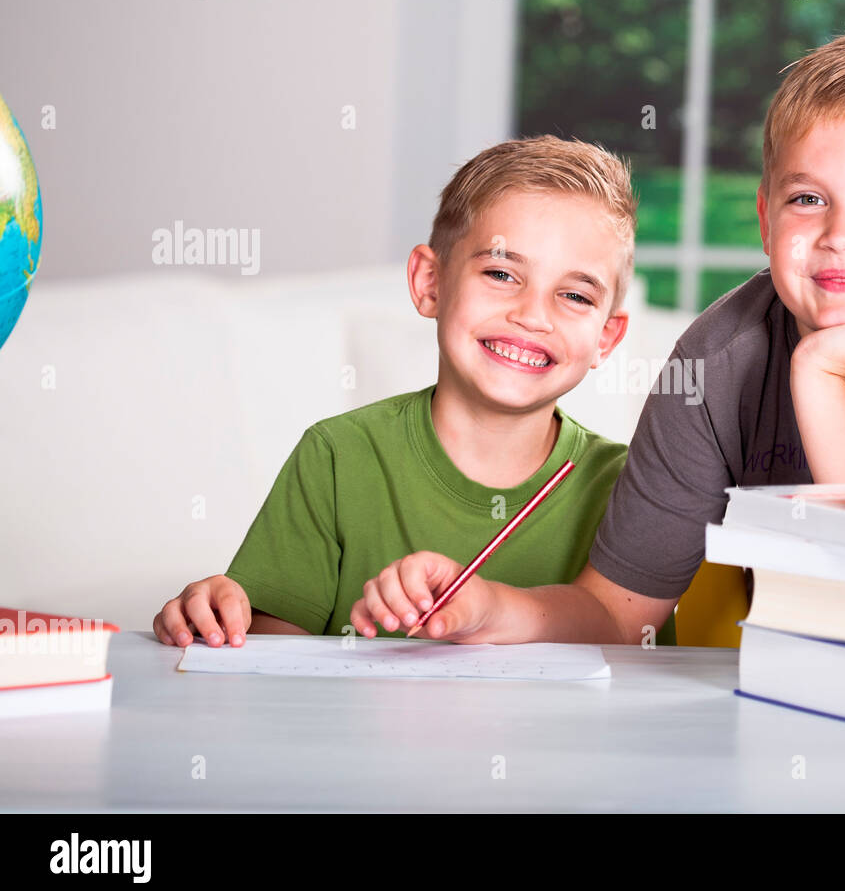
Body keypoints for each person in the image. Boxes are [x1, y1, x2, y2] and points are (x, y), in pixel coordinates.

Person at [346, 27, 845, 647]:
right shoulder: (720, 359)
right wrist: (493, 610)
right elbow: (622, 616)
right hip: (833, 666)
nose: (842, 236)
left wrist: (819, 379)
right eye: (809, 198)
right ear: (763, 219)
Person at [151, 134, 664, 647]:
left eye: (574, 295)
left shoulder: (630, 488)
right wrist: (219, 619)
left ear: (606, 337)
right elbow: (267, 664)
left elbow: (646, 672)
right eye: (502, 273)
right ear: (429, 283)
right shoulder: (337, 457)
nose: (532, 315)